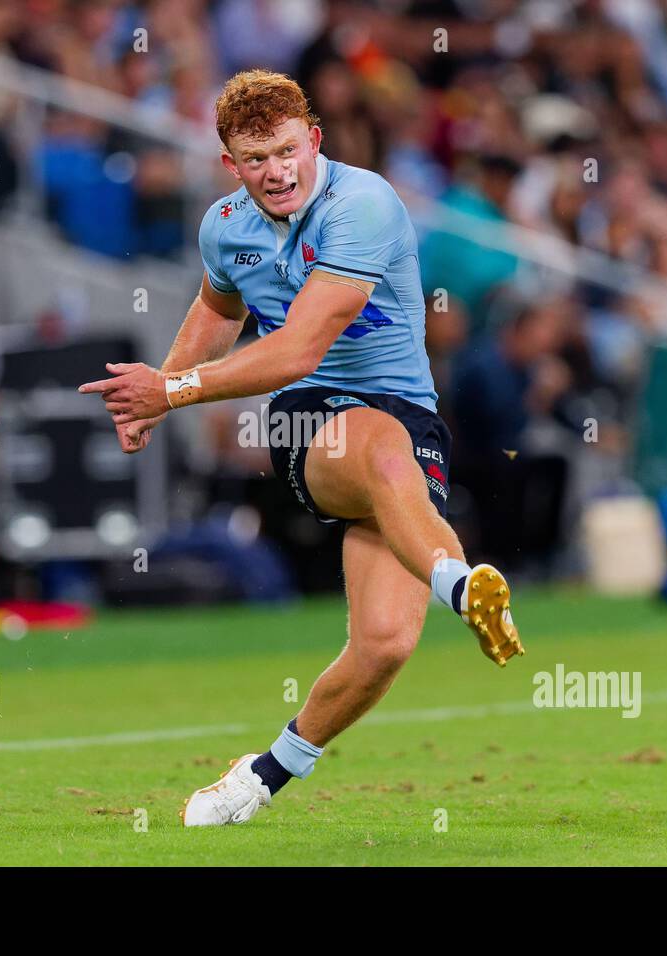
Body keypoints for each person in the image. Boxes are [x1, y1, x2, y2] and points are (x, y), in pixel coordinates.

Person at [79, 69, 525, 828]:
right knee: (381, 451)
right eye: (255, 160)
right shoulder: (224, 225)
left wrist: (172, 391)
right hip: (309, 419)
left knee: (383, 645)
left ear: (313, 141)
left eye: (287, 151)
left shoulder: (365, 203)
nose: (276, 172)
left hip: (406, 410)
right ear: (230, 164)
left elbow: (299, 342)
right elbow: (229, 321)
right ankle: (461, 583)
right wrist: (161, 387)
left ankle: (258, 777)